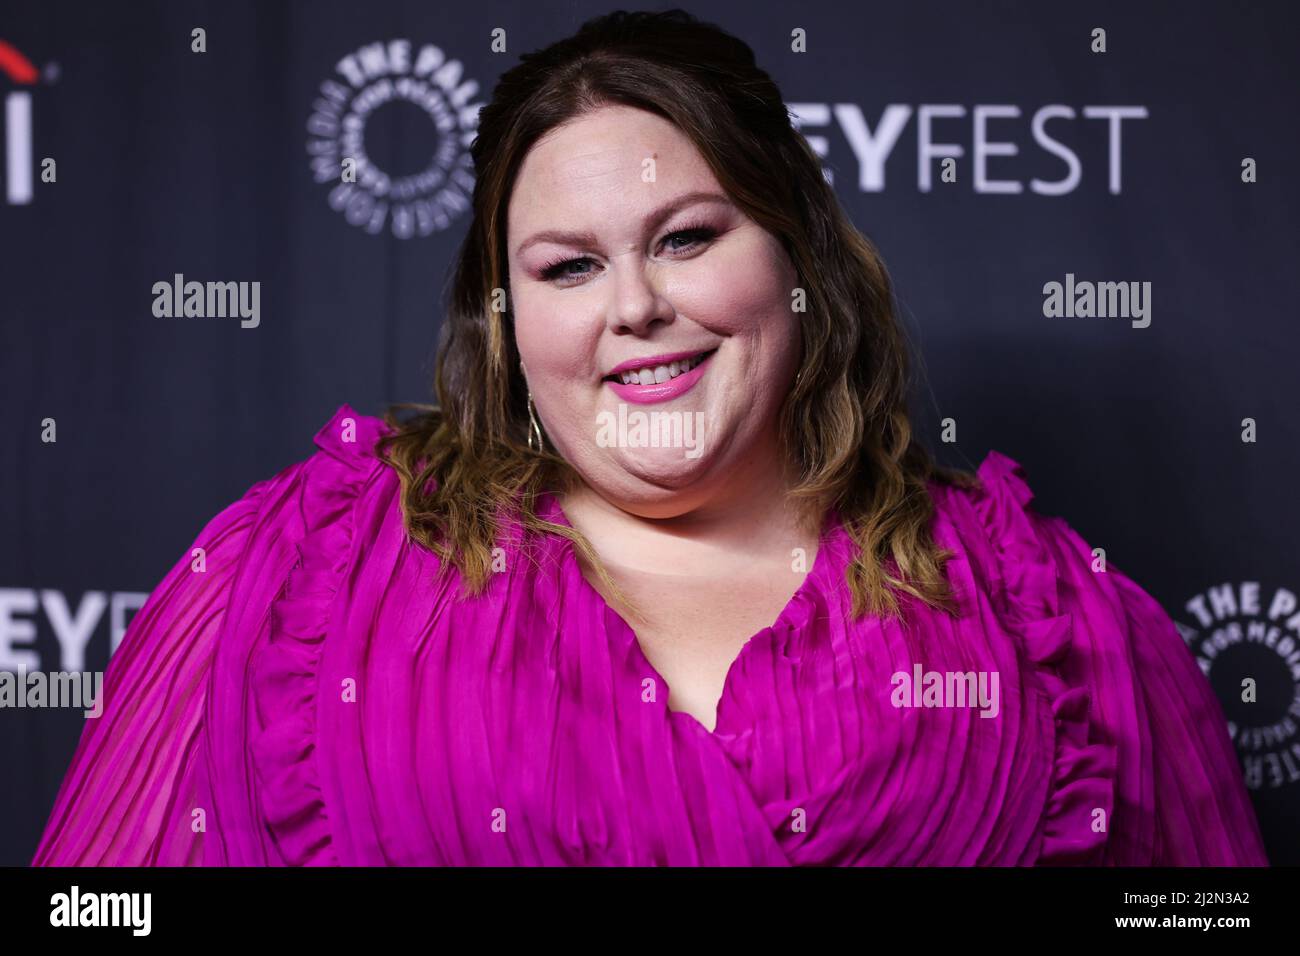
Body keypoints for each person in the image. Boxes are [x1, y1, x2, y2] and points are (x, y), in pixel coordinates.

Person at [33, 9, 1267, 866]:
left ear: (799, 257)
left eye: (686, 237)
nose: (633, 305)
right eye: (568, 265)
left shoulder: (1048, 609)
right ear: (509, 319)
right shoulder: (303, 565)